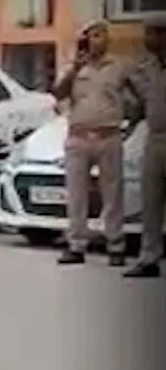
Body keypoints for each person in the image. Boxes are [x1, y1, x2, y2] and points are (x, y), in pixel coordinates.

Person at [52, 20, 131, 266]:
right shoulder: (75, 67)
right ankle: (76, 245)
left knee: (112, 194)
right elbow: (57, 92)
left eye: (100, 35)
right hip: (78, 137)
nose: (95, 40)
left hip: (108, 136)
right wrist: (75, 68)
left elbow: (138, 98)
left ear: (108, 39)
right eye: (91, 36)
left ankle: (115, 245)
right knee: (76, 195)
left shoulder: (119, 67)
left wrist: (128, 126)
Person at [123, 16, 166, 279]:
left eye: (151, 34)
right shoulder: (146, 67)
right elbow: (141, 103)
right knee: (151, 204)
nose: (146, 39)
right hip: (155, 139)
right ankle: (149, 258)